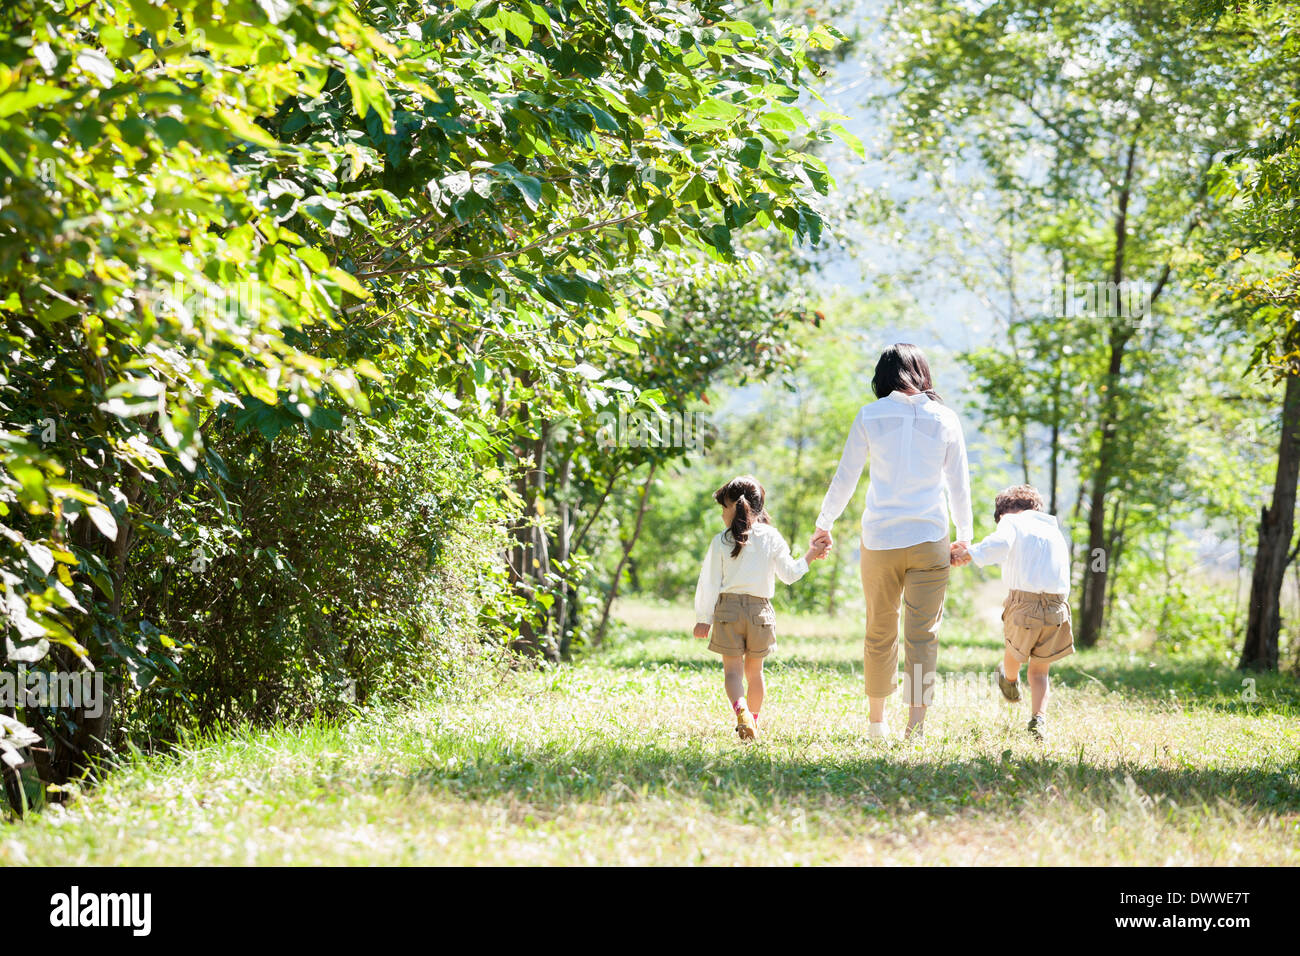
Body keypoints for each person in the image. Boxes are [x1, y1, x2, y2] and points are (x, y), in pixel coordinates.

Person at [811, 344, 972, 741]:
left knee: (879, 629)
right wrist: (965, 537)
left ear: (882, 376)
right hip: (929, 537)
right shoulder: (946, 418)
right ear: (922, 372)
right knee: (923, 635)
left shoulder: (871, 415)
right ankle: (915, 728)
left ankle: (876, 723)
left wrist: (824, 523)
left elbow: (845, 476)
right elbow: (958, 484)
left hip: (880, 539)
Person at [693, 475, 827, 740]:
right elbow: (789, 574)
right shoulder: (771, 537)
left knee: (732, 672)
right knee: (755, 674)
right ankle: (752, 721)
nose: (722, 515)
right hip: (760, 614)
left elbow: (708, 582)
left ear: (733, 506)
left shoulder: (721, 540)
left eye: (723, 508)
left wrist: (703, 618)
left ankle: (740, 711)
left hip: (728, 612)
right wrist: (811, 554)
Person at [951, 484, 1073, 740]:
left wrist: (970, 552)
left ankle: (1009, 679)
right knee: (1040, 671)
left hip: (1024, 604)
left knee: (1014, 650)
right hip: (1057, 607)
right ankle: (1038, 719)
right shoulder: (1054, 531)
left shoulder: (1011, 523)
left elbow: (998, 544)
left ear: (1004, 513)